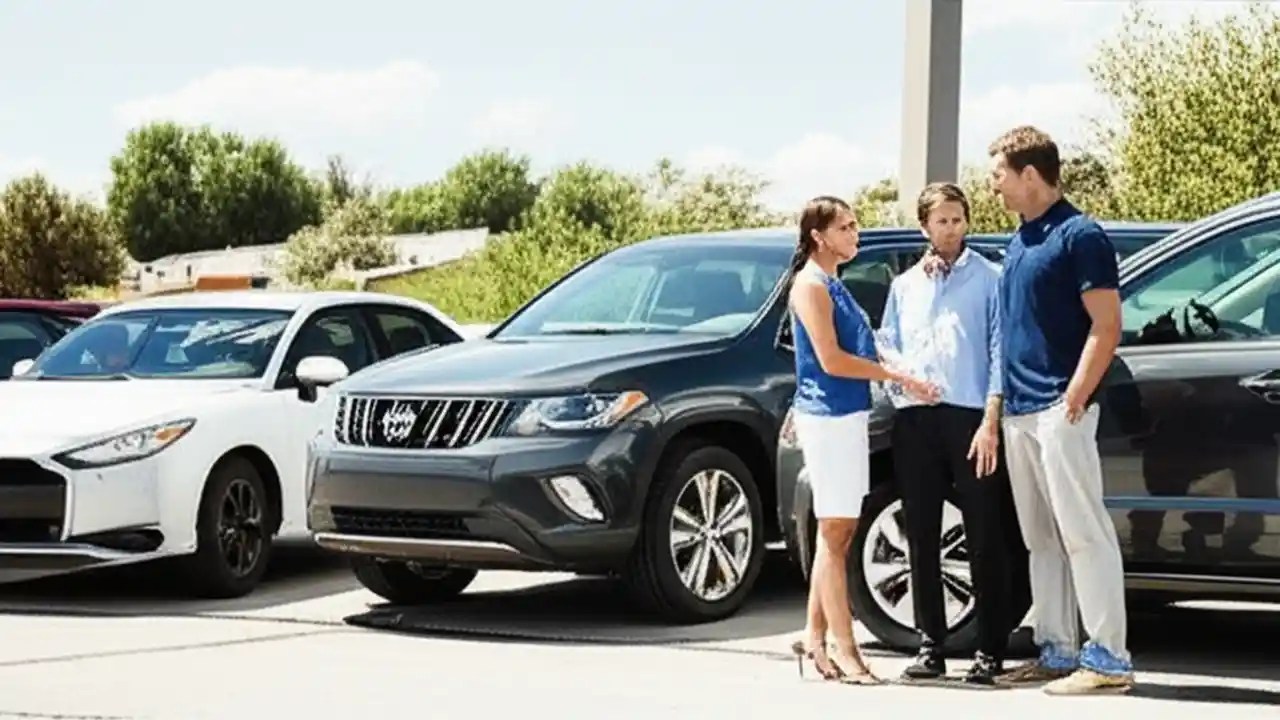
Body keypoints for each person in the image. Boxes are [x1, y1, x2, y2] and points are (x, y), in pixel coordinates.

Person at [986, 126, 1134, 695]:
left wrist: (1074, 395)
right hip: (1021, 411)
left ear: (1030, 174)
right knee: (1041, 539)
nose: (994, 184)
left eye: (999, 172)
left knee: (1083, 533)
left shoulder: (1081, 235)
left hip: (1060, 410)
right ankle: (1057, 649)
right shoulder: (1019, 240)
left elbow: (1107, 325)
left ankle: (1109, 660)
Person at [786, 195, 939, 685]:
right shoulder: (810, 286)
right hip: (827, 418)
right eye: (846, 228)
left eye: (855, 226)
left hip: (848, 416)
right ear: (819, 236)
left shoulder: (835, 282)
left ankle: (814, 638)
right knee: (835, 536)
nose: (855, 235)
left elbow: (868, 342)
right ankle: (845, 649)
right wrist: (894, 376)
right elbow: (831, 361)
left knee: (838, 532)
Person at [878, 182, 1012, 685]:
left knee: (983, 533)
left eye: (958, 219)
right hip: (917, 420)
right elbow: (886, 344)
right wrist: (904, 385)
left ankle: (989, 651)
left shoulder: (989, 279)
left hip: (970, 416)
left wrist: (991, 419)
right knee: (922, 534)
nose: (951, 228)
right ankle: (930, 644)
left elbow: (998, 349)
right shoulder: (905, 286)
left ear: (967, 222)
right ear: (924, 227)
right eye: (941, 221)